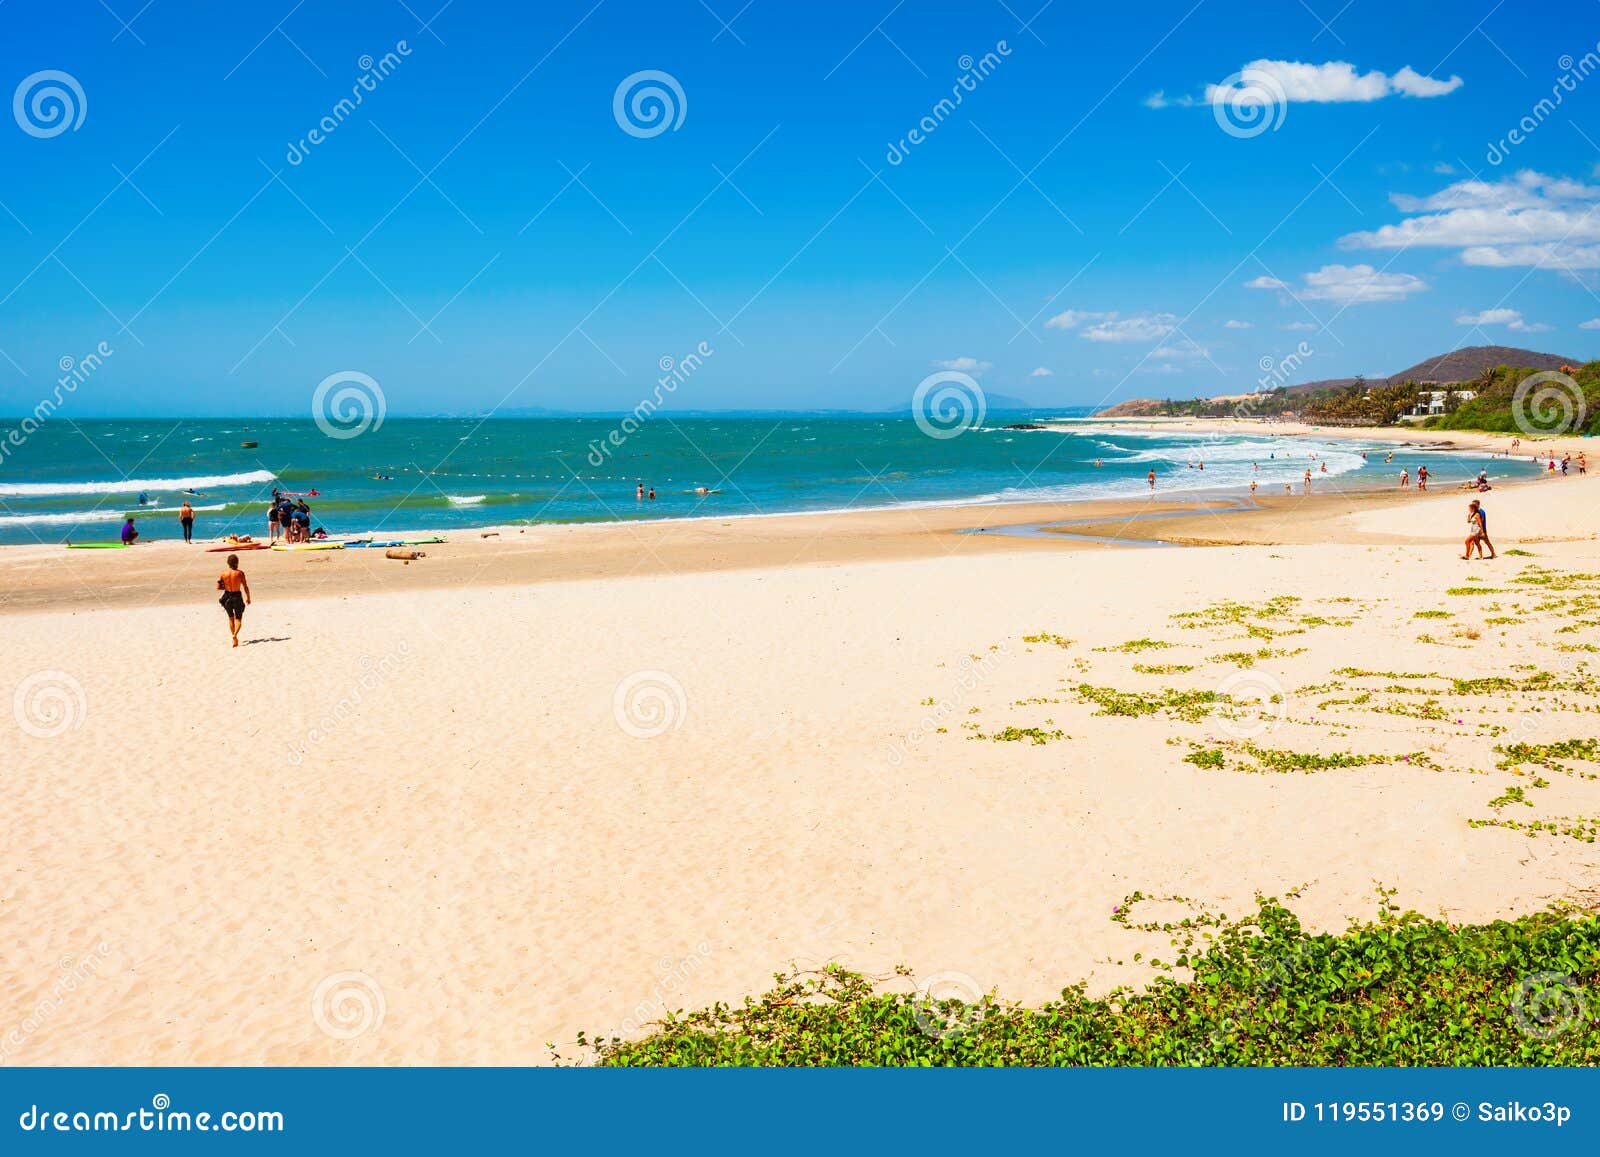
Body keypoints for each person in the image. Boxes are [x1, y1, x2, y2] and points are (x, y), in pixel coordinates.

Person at [217, 553, 251, 647]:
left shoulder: (223, 573)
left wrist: (227, 586)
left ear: (228, 563)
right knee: (238, 618)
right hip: (237, 596)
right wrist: (248, 598)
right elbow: (245, 587)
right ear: (237, 563)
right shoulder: (240, 573)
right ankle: (235, 635)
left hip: (227, 597)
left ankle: (233, 637)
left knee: (230, 618)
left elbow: (218, 587)